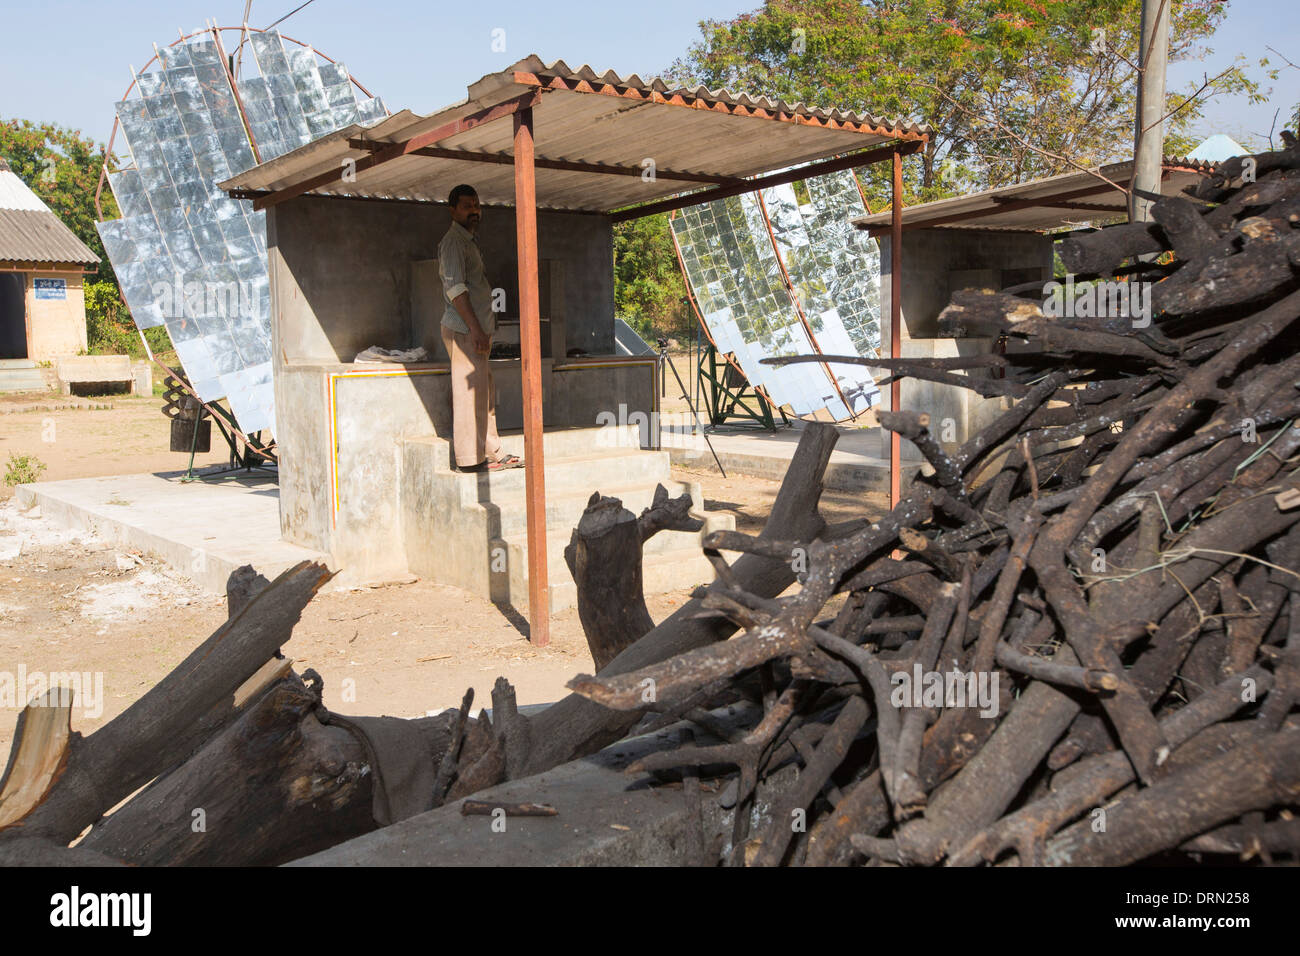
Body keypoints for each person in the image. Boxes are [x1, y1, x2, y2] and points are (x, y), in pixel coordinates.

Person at [438, 184, 522, 472]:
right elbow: (456, 290)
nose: (474, 211)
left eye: (476, 205)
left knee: (483, 393)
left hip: (476, 330)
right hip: (464, 330)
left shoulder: (468, 241)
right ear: (452, 210)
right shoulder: (453, 242)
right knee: (469, 393)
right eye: (466, 206)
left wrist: (482, 329)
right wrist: (474, 328)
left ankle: (492, 451)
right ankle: (470, 461)